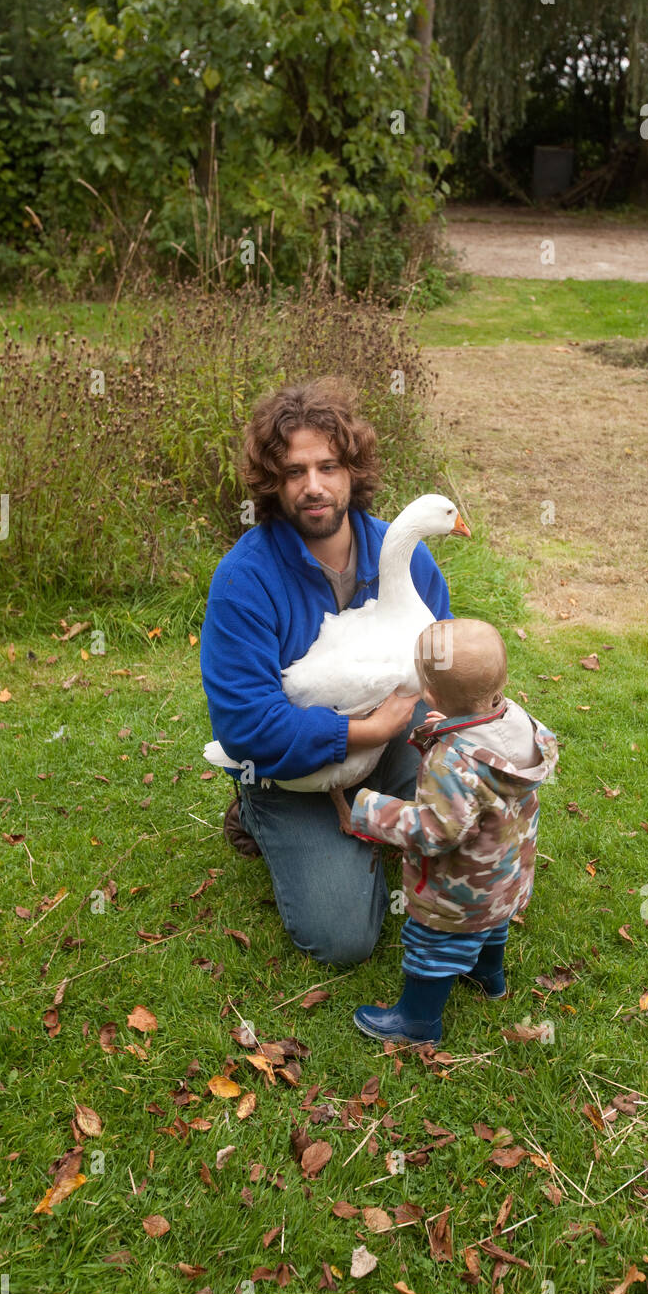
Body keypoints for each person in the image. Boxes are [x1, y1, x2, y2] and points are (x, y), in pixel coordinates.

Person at [199, 376, 453, 967]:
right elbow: (246, 725)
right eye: (294, 472)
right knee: (344, 938)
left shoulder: (405, 557)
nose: (313, 487)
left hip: (393, 742)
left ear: (352, 472)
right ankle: (259, 812)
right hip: (293, 764)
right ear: (273, 483)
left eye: (329, 467)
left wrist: (449, 734)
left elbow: (439, 662)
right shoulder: (244, 580)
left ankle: (382, 811)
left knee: (477, 809)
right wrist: (365, 731)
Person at [338, 618, 559, 1044]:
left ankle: (418, 1022)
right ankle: (487, 976)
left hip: (458, 890)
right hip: (506, 876)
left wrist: (370, 810)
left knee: (432, 945)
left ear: (430, 695)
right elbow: (480, 740)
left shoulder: (452, 762)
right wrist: (447, 726)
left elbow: (438, 830)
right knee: (493, 924)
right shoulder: (522, 723)